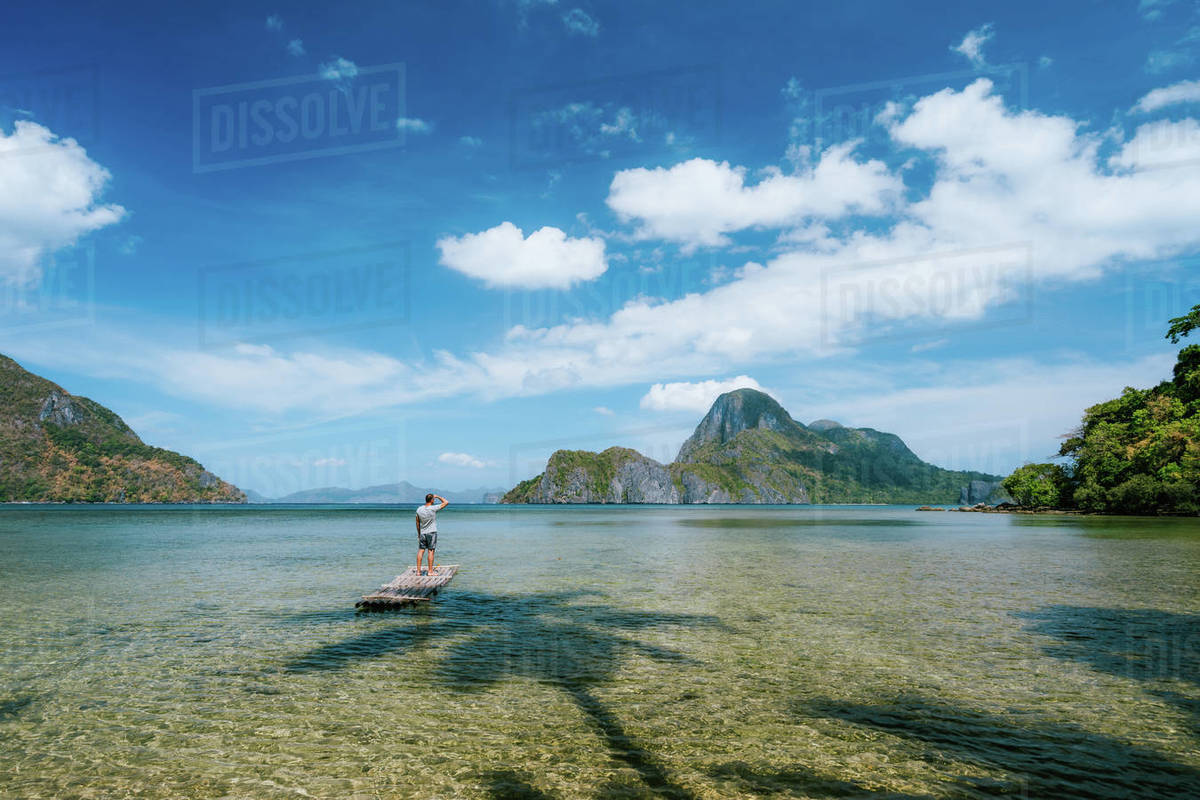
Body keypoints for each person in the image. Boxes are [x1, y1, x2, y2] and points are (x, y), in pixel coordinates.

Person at [415, 493, 448, 576]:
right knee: (431, 551)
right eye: (434, 499)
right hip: (432, 532)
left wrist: (419, 533)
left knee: (421, 551)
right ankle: (430, 571)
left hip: (422, 532)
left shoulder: (419, 509)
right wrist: (438, 496)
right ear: (432, 500)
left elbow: (417, 522)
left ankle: (418, 572)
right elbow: (446, 502)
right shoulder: (433, 508)